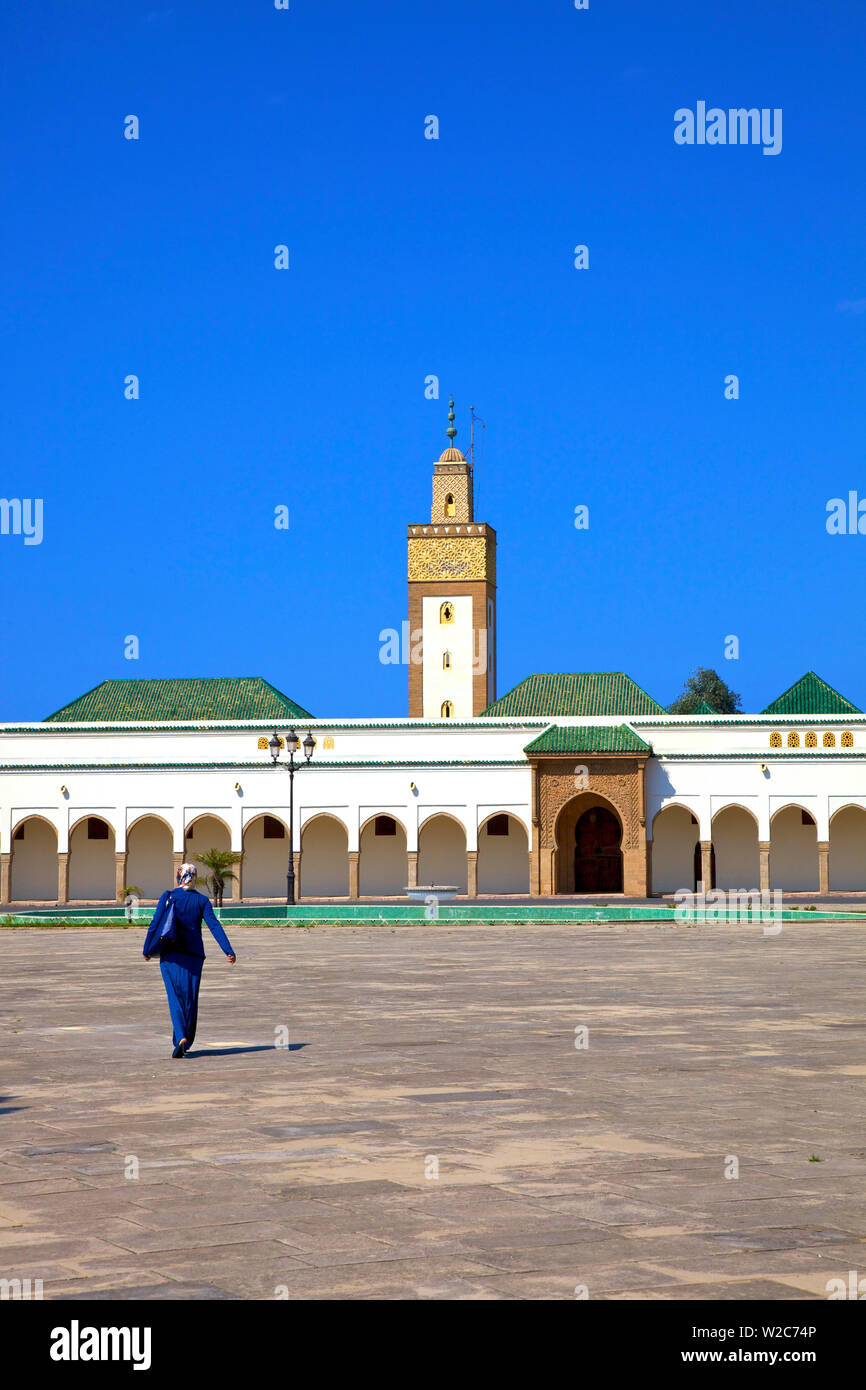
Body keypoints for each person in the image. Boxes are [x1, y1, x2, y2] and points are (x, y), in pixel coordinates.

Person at [143, 863, 237, 1058]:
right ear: (194, 878)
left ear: (179, 877)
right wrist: (228, 950)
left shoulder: (169, 896)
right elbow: (214, 926)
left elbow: (155, 923)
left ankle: (180, 1037)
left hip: (171, 956)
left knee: (174, 997)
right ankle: (185, 1037)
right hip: (194, 957)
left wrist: (147, 949)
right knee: (190, 1000)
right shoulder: (202, 901)